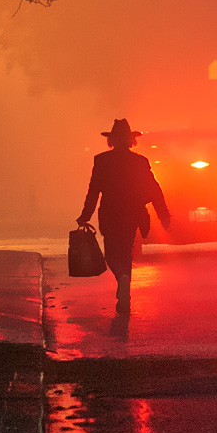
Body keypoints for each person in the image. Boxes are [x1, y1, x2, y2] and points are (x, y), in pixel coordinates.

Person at [77, 118, 171, 314]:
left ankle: (122, 280)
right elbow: (154, 190)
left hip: (110, 213)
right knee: (126, 253)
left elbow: (94, 191)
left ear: (112, 141)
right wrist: (163, 215)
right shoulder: (140, 161)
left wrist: (85, 215)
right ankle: (125, 294)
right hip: (132, 214)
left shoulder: (101, 160)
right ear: (130, 141)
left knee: (111, 254)